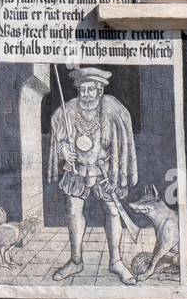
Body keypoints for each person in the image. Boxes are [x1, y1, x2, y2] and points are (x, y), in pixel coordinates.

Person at [47, 67, 138, 285]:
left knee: (112, 212)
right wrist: (62, 151)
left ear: (99, 91)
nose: (86, 93)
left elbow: (122, 143)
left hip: (103, 171)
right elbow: (59, 140)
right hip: (77, 170)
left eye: (91, 90)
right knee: (73, 211)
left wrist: (116, 172)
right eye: (82, 90)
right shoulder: (67, 111)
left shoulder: (112, 110)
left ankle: (116, 261)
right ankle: (76, 260)